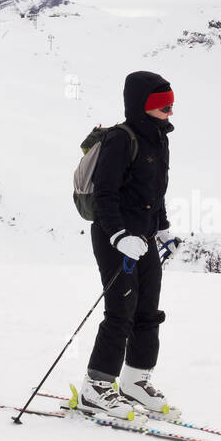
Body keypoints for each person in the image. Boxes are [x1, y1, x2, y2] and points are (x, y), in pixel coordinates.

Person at [79, 71, 182, 419]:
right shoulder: (120, 139)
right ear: (143, 106)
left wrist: (162, 229)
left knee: (147, 310)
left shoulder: (158, 139)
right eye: (163, 106)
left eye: (171, 105)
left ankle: (136, 380)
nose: (170, 112)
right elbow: (105, 194)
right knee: (120, 311)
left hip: (145, 238)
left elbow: (155, 192)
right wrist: (119, 235)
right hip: (116, 238)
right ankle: (97, 386)